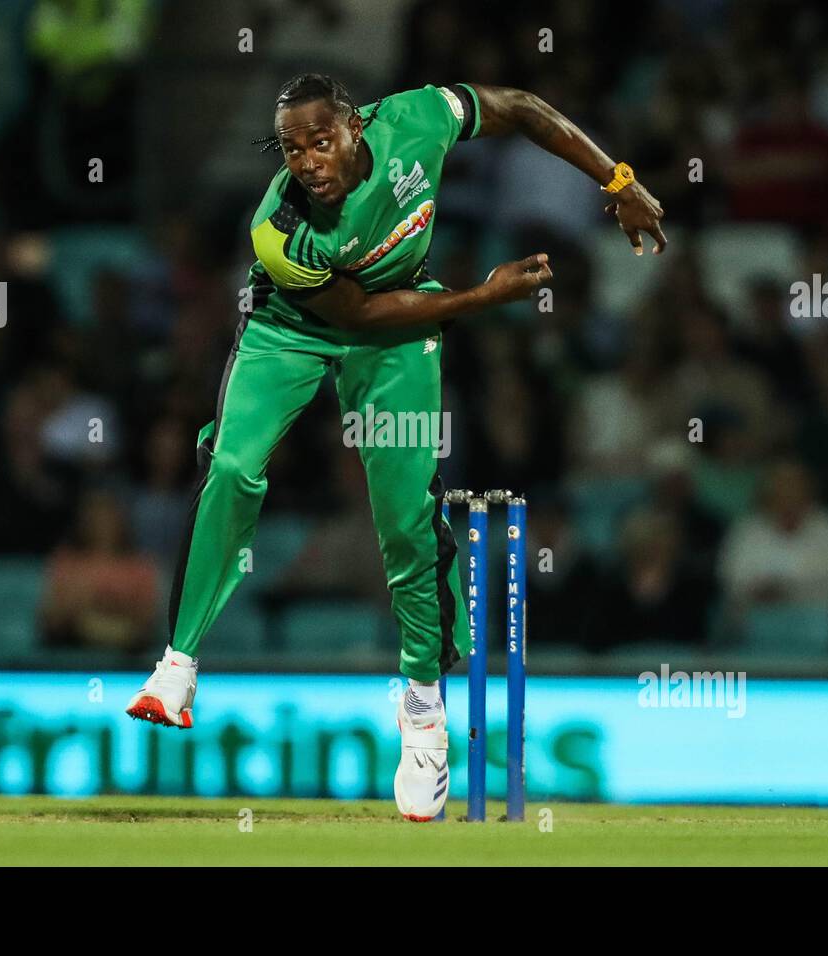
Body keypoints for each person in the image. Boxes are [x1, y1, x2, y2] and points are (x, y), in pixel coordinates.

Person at [125, 74, 665, 821]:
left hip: (399, 334)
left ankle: (422, 708)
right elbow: (358, 312)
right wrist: (481, 297)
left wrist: (619, 180)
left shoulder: (418, 119)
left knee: (406, 515)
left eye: (320, 141)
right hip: (292, 329)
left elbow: (521, 108)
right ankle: (179, 663)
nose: (308, 162)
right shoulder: (278, 228)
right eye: (291, 149)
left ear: (355, 127)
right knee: (232, 465)